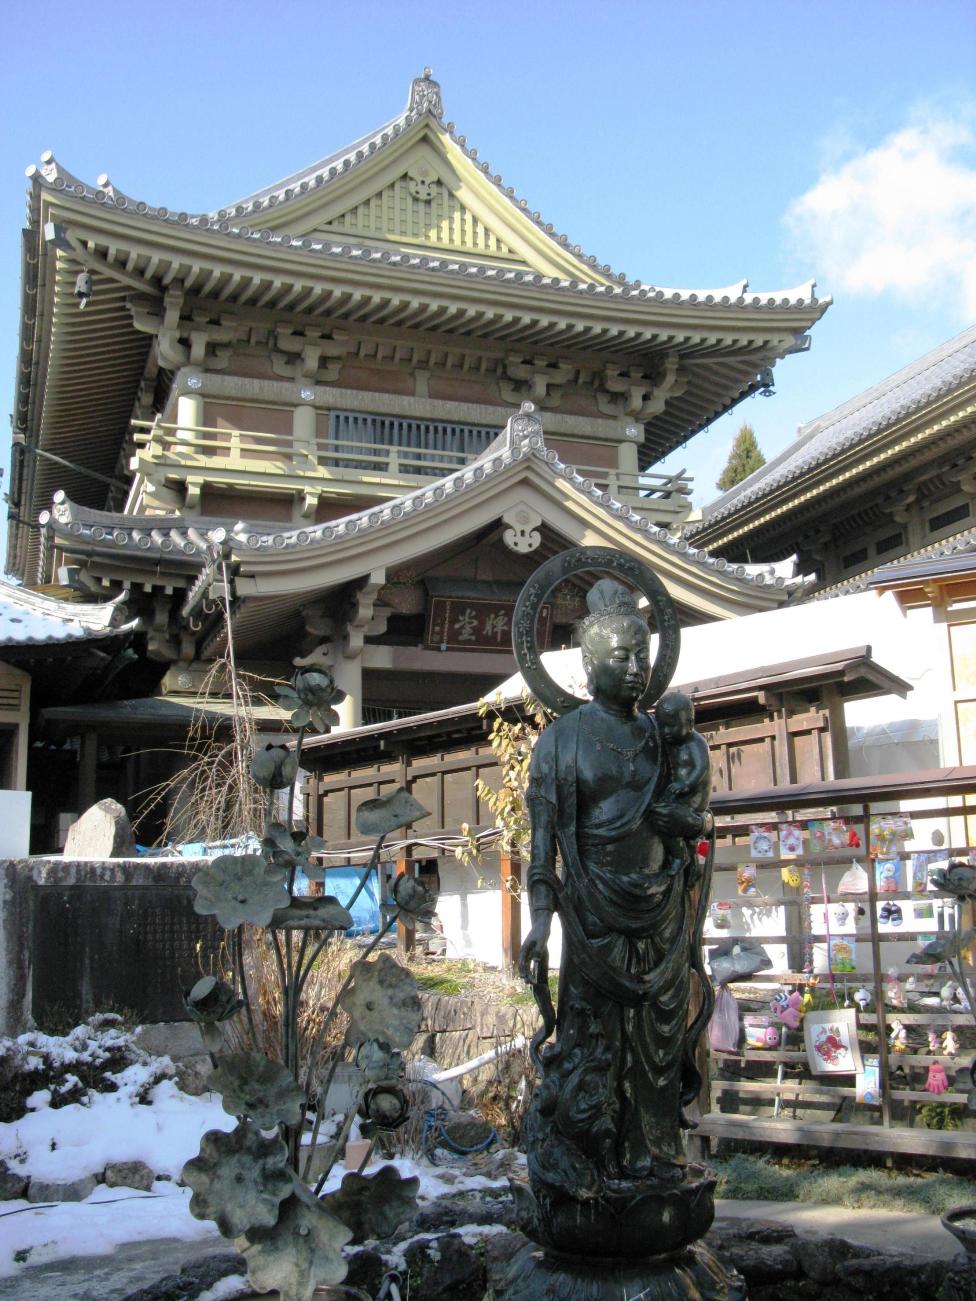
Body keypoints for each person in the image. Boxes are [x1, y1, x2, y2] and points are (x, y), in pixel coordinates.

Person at [518, 578, 713, 1198]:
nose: (633, 670)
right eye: (618, 658)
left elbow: (694, 813)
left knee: (657, 1042)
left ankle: (654, 1154)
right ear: (586, 663)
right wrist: (541, 920)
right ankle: (591, 1155)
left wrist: (686, 825)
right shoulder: (561, 740)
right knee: (592, 1038)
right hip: (591, 916)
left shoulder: (666, 736)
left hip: (661, 911)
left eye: (641, 657)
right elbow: (543, 843)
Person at [655, 691, 711, 880]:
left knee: (669, 820)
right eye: (662, 727)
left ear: (690, 724)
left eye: (671, 727)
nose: (666, 732)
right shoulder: (665, 740)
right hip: (677, 792)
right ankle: (683, 854)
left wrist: (687, 784)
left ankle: (681, 856)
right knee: (664, 817)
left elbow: (701, 767)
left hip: (692, 796)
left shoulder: (696, 742)